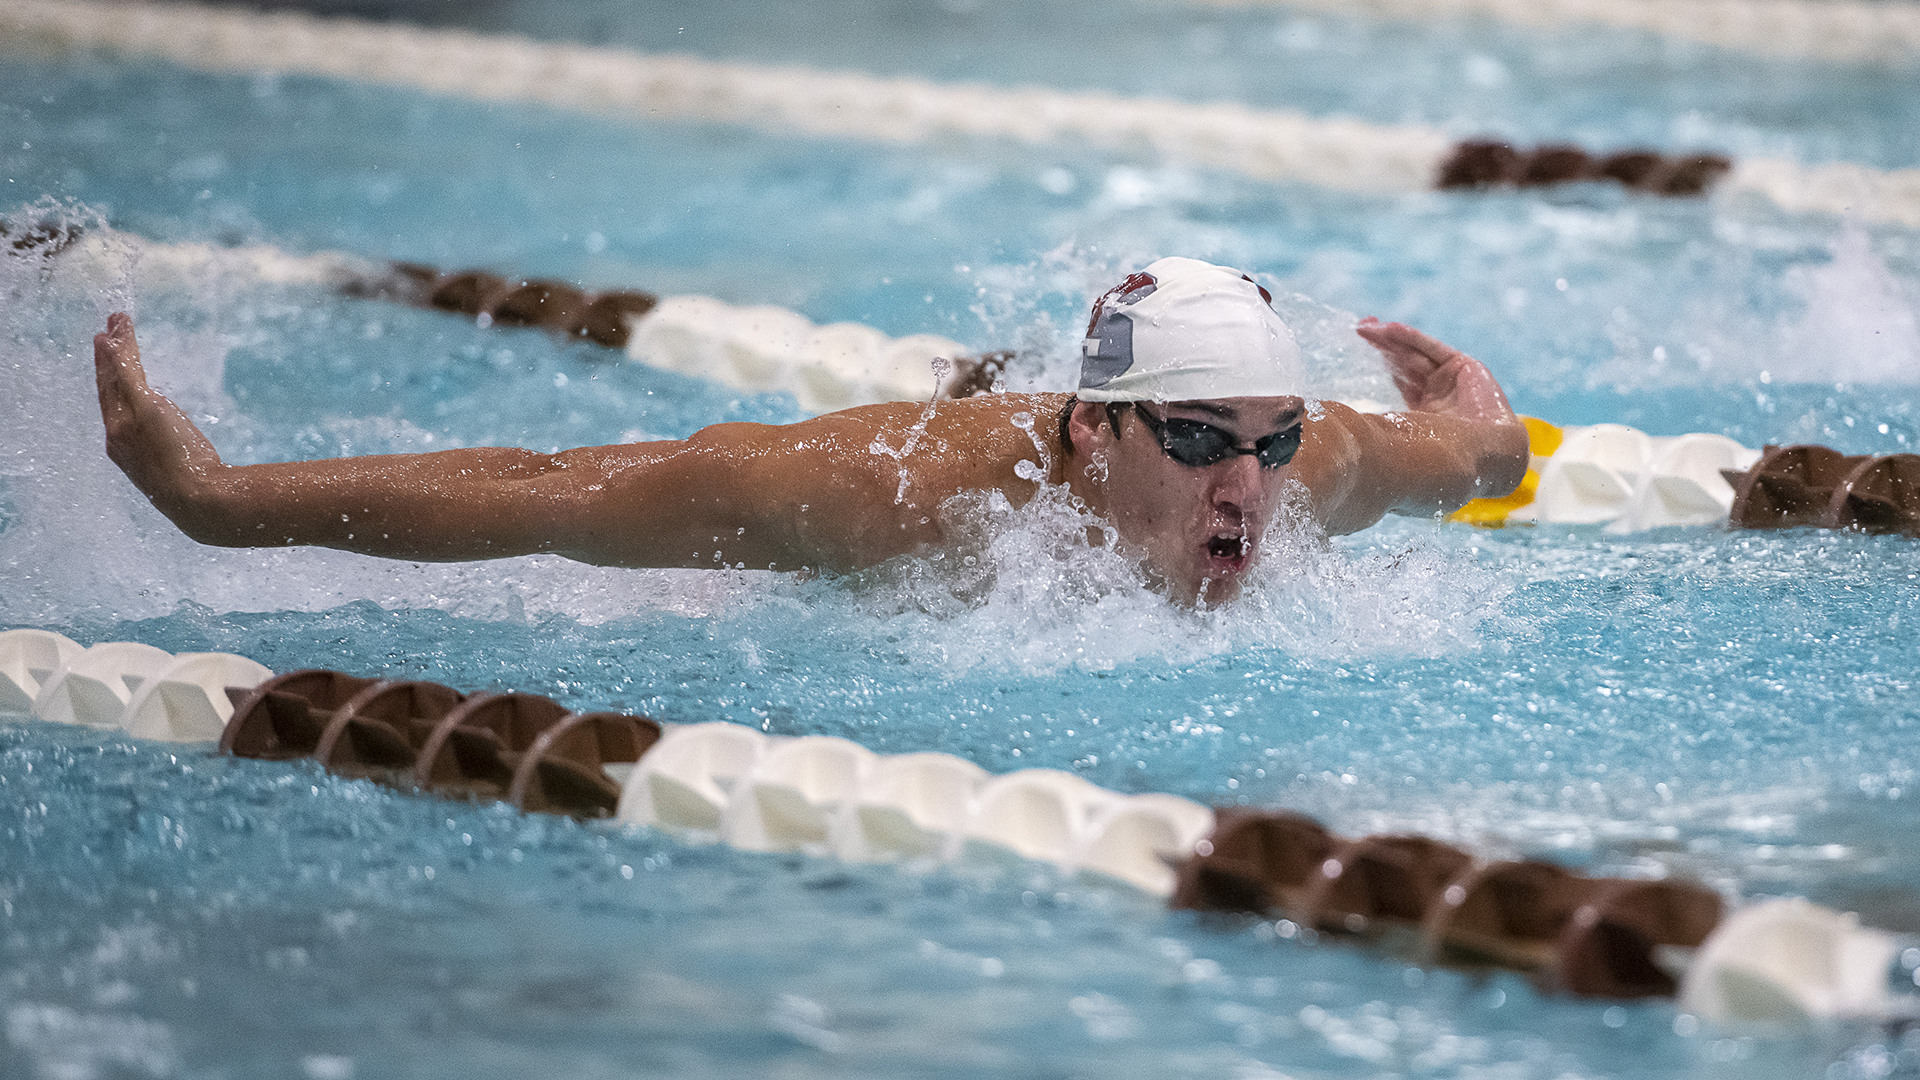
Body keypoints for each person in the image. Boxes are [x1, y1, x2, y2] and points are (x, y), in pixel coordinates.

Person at [94, 257, 1528, 605]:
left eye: (1266, 445)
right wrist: (217, 499)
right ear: (1097, 436)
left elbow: (1483, 453)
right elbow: (551, 491)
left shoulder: (1318, 463)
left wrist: (1470, 402)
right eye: (1205, 440)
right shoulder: (887, 500)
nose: (1249, 485)